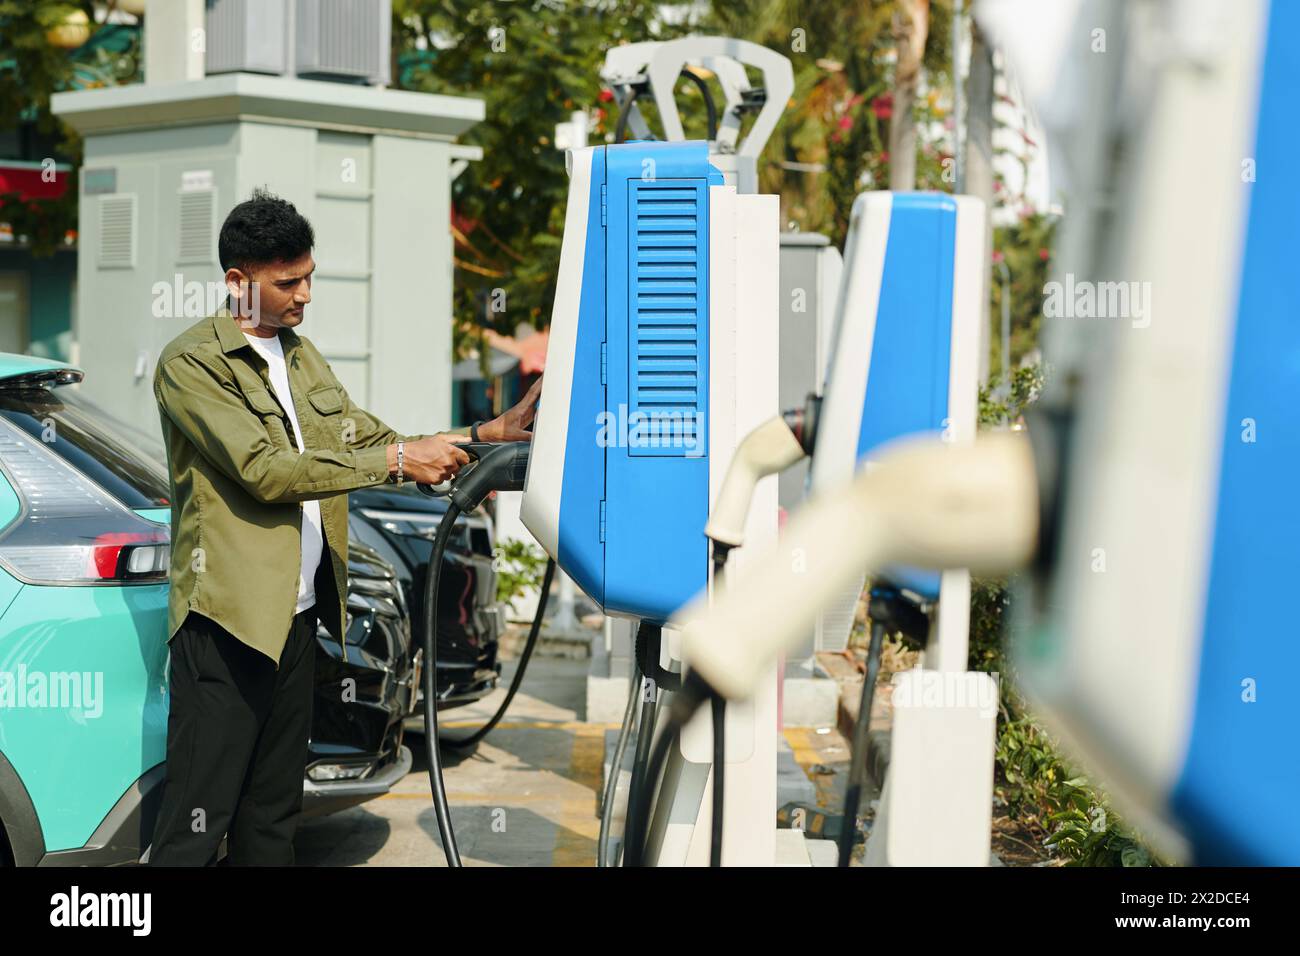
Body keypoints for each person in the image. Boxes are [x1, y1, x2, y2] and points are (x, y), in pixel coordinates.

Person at [148, 188, 541, 865]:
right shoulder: (192, 364)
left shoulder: (300, 357)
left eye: (308, 278)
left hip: (297, 622)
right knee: (196, 824)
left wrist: (481, 434)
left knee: (273, 821)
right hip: (229, 625)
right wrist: (396, 458)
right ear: (238, 282)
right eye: (287, 282)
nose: (304, 295)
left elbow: (371, 437)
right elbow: (267, 470)